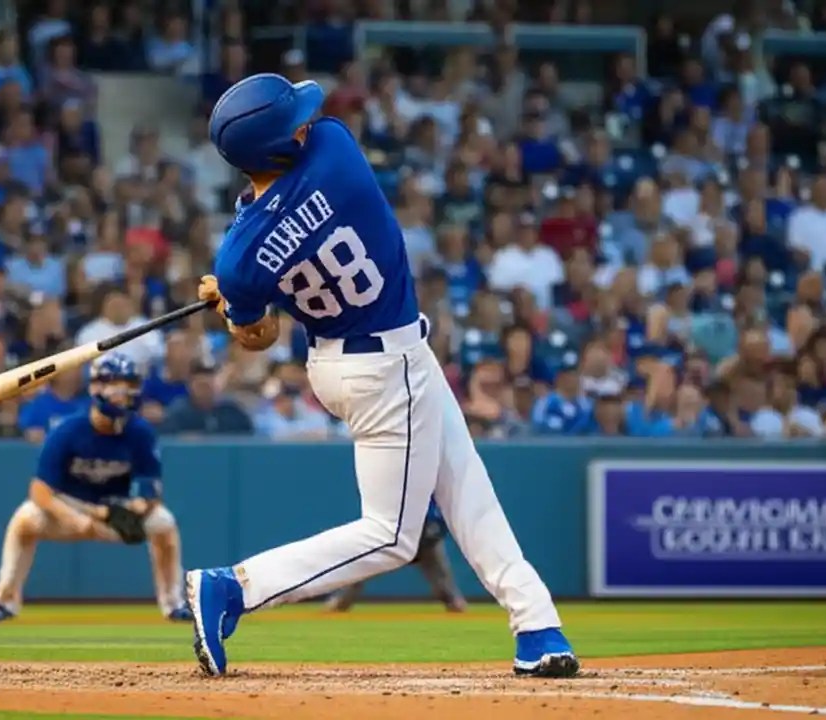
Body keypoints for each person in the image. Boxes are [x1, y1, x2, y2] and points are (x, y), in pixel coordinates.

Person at [186, 73, 577, 678]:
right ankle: (234, 588)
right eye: (296, 119)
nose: (309, 120)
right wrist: (236, 297)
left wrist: (230, 302)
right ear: (280, 143)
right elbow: (304, 187)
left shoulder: (238, 256)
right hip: (386, 366)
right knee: (393, 534)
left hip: (347, 365)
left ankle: (537, 626)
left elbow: (257, 337)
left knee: (467, 490)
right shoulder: (333, 150)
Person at [0, 354, 192, 622]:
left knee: (164, 523)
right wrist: (74, 518)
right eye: (115, 384)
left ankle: (173, 603)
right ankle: (2, 601)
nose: (122, 393)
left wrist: (134, 508)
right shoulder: (68, 429)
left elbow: (151, 492)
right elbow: (39, 490)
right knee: (25, 518)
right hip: (67, 511)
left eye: (129, 384)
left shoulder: (140, 432)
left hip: (111, 516)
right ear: (95, 387)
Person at [324, 500, 466, 613]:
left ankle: (453, 602)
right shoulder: (396, 493)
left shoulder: (433, 500)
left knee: (440, 573)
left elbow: (439, 524)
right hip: (393, 536)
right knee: (363, 565)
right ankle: (341, 603)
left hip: (424, 537)